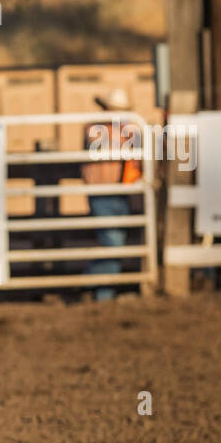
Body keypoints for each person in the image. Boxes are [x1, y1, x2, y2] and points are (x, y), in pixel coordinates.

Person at [81, 88, 143, 301]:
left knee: (115, 242)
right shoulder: (95, 128)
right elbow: (104, 143)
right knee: (113, 241)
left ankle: (93, 284)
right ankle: (102, 291)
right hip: (102, 191)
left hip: (119, 191)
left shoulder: (126, 129)